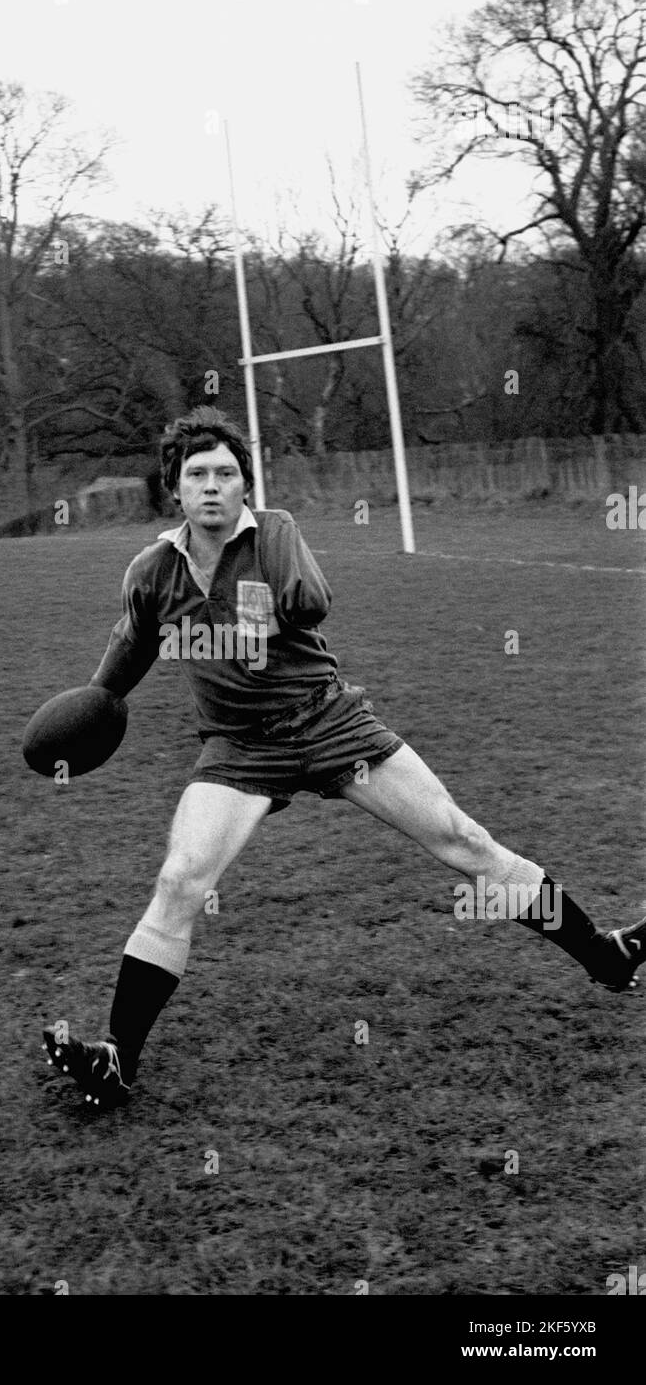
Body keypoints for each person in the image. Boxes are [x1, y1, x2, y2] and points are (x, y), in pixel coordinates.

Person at [43, 406, 644, 1108]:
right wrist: (83, 720)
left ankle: (605, 954)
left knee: (463, 841)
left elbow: (312, 600)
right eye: (197, 475)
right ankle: (117, 1061)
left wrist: (279, 592)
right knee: (180, 882)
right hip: (240, 750)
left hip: (329, 723)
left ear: (245, 484)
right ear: (174, 487)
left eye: (227, 474)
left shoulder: (276, 532)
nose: (213, 487)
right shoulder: (151, 572)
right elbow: (122, 662)